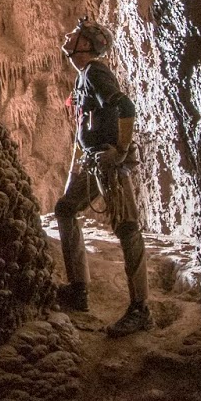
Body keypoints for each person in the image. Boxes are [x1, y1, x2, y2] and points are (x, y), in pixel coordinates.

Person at [55, 18, 151, 337]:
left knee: (126, 227)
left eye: (77, 34)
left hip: (109, 160)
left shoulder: (95, 71)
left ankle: (141, 309)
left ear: (88, 44)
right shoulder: (84, 76)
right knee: (66, 209)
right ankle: (78, 289)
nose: (69, 36)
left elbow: (124, 105)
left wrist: (121, 149)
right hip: (95, 160)